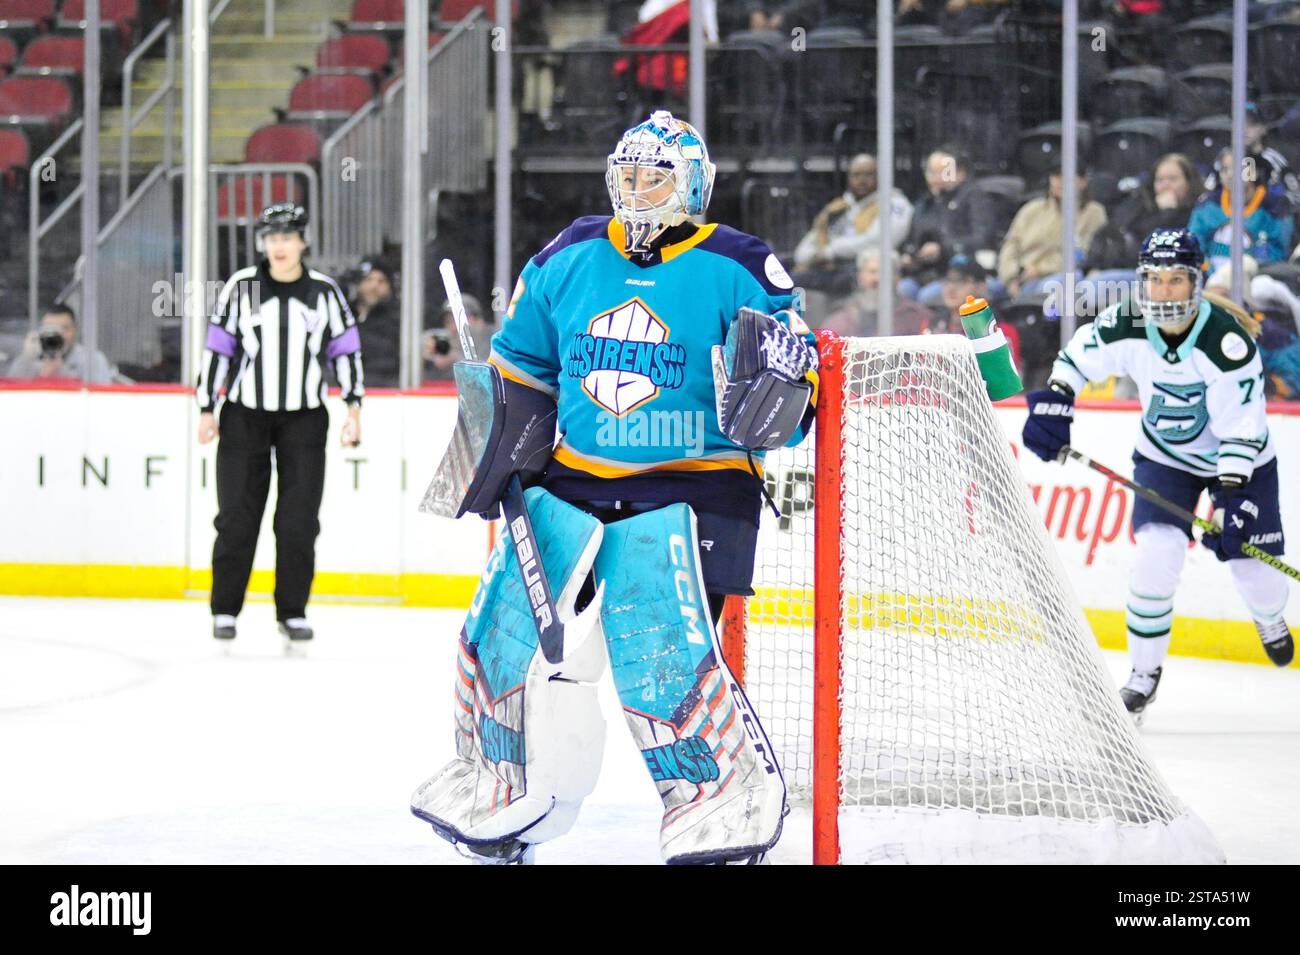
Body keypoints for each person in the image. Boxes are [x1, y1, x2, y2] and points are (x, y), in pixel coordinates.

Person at [410, 110, 814, 864]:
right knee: (510, 643)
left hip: (694, 482)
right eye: (626, 174)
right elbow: (523, 364)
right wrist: (497, 435)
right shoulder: (572, 251)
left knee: (662, 657)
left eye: (655, 175)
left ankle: (720, 807)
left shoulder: (740, 263)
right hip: (577, 479)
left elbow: (794, 384)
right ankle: (510, 791)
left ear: (692, 184)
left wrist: (789, 379)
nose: (637, 188)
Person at [1022, 228, 1294, 722]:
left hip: (1243, 464)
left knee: (1252, 571)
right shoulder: (1126, 320)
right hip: (1165, 458)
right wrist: (1058, 399)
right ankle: (1142, 678)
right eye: (1154, 280)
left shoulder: (1226, 344)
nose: (1163, 291)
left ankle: (1270, 617)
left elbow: (1242, 428)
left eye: (1175, 280)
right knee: (1156, 555)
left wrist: (1233, 502)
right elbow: (1079, 355)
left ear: (1197, 281)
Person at [195, 203, 364, 645]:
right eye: (271, 238)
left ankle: (292, 611)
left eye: (287, 237)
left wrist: (353, 408)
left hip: (304, 419)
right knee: (236, 515)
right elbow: (218, 350)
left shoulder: (324, 293)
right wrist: (206, 409)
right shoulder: (242, 287)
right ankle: (225, 609)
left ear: (303, 241)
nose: (279, 246)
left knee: (298, 519)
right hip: (244, 416)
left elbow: (344, 350)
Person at [791, 153, 913, 295]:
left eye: (868, 175)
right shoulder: (838, 208)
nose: (861, 180)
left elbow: (879, 240)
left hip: (865, 271)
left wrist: (831, 252)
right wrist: (812, 256)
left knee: (844, 282)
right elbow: (808, 245)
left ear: (880, 176)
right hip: (829, 269)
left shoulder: (894, 203)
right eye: (856, 175)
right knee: (793, 282)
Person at [997, 164, 1108, 297]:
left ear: (1083, 182)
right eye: (1056, 176)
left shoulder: (1093, 212)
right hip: (1019, 275)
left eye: (1068, 177)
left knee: (1047, 288)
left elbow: (1083, 254)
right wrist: (1011, 276)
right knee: (980, 292)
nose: (1061, 182)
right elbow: (1010, 244)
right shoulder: (1032, 209)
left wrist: (1040, 270)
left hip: (1058, 275)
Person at [900, 146, 998, 288]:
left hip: (962, 273)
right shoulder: (925, 203)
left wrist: (943, 248)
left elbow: (983, 239)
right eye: (930, 172)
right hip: (923, 272)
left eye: (941, 172)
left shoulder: (975, 197)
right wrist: (912, 254)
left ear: (960, 173)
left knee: (929, 294)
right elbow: (911, 240)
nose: (933, 178)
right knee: (901, 288)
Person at [1188, 148, 1293, 272]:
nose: (1230, 174)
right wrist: (1211, 274)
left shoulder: (1275, 207)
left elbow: (1279, 252)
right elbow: (1192, 247)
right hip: (1210, 283)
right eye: (1224, 169)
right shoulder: (1207, 206)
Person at [5, 304, 130, 383]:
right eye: (49, 329)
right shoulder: (32, 357)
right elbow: (12, 390)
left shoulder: (92, 359)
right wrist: (25, 359)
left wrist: (60, 373)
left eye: (63, 329)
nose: (56, 335)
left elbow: (99, 397)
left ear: (75, 330)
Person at [350, 257, 400, 388]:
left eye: (381, 281)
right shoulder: (343, 315)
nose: (374, 286)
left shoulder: (397, 322)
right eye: (369, 279)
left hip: (382, 391)